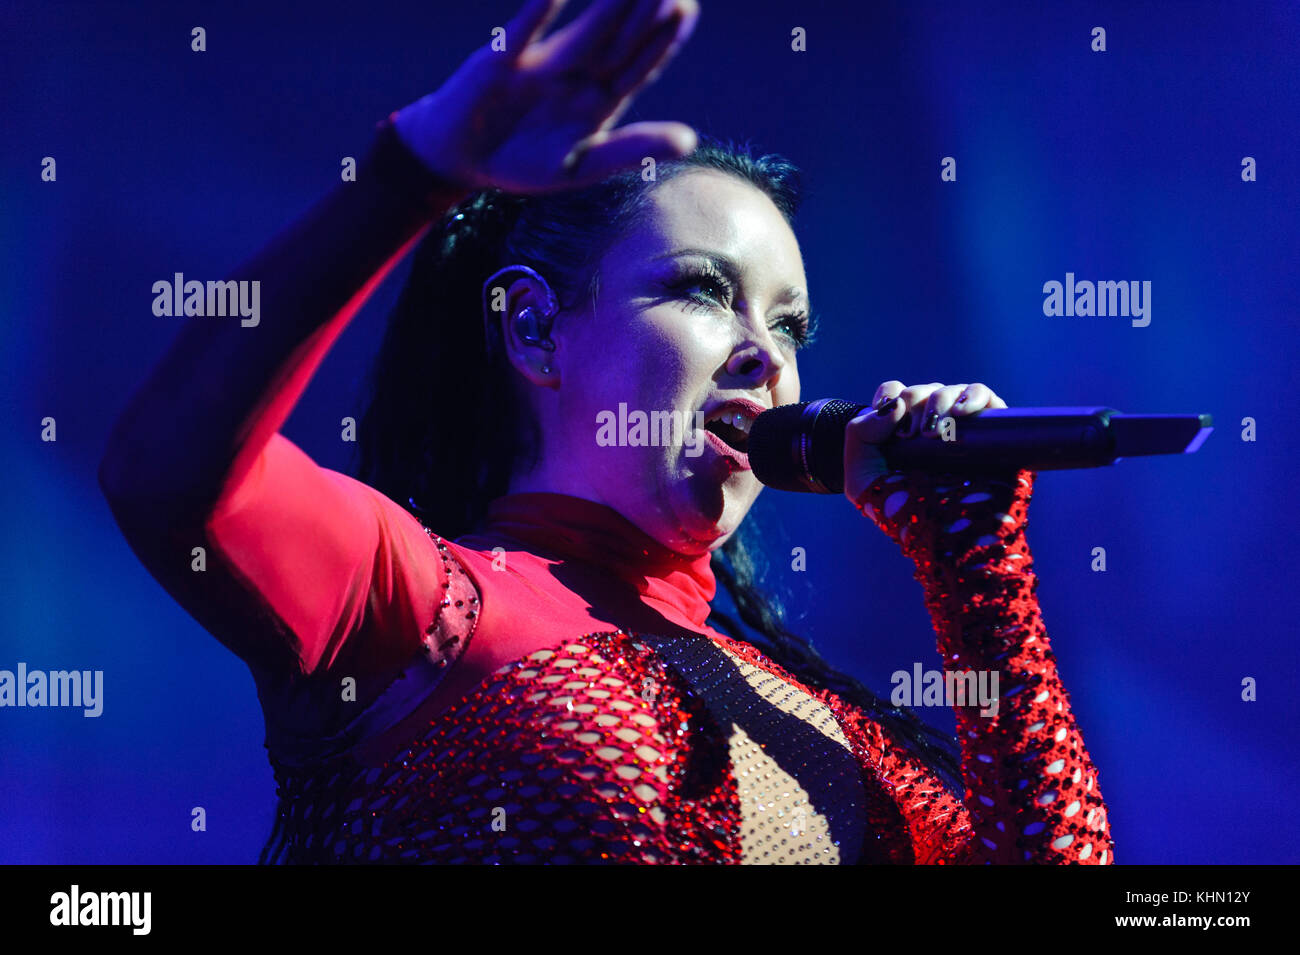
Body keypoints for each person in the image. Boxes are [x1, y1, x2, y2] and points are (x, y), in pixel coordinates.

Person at [99, 0, 1112, 864]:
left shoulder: (837, 730)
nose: (766, 352)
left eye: (790, 323)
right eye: (703, 292)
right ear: (535, 327)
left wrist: (976, 566)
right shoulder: (425, 611)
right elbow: (166, 472)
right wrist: (411, 173)